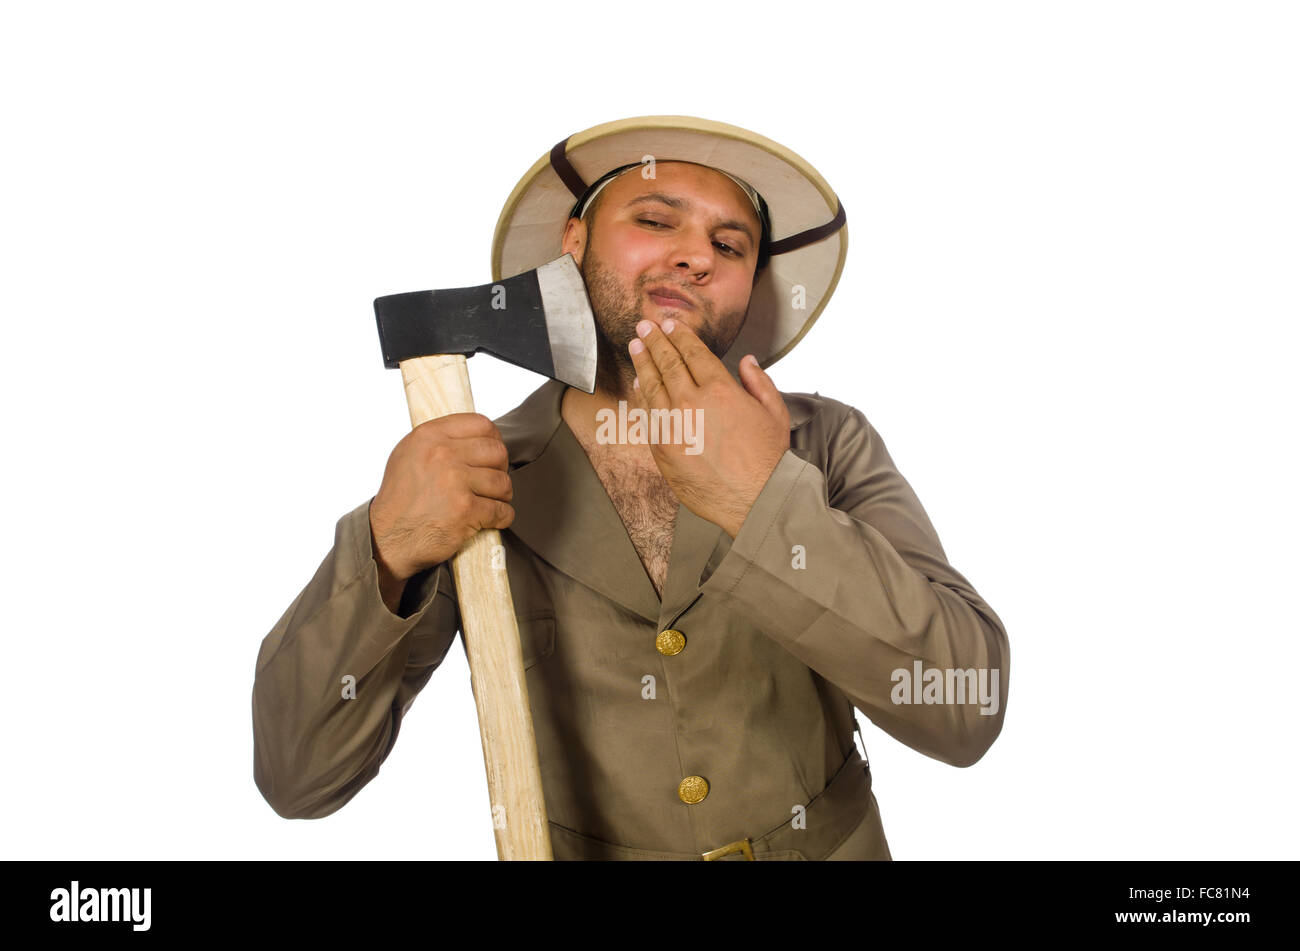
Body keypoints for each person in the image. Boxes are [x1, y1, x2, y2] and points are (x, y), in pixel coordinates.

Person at [251, 116, 1010, 860]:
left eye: (728, 244)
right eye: (655, 219)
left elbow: (964, 705)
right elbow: (299, 777)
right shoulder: (477, 481)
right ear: (573, 243)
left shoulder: (825, 443)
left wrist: (762, 500)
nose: (695, 258)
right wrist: (388, 547)